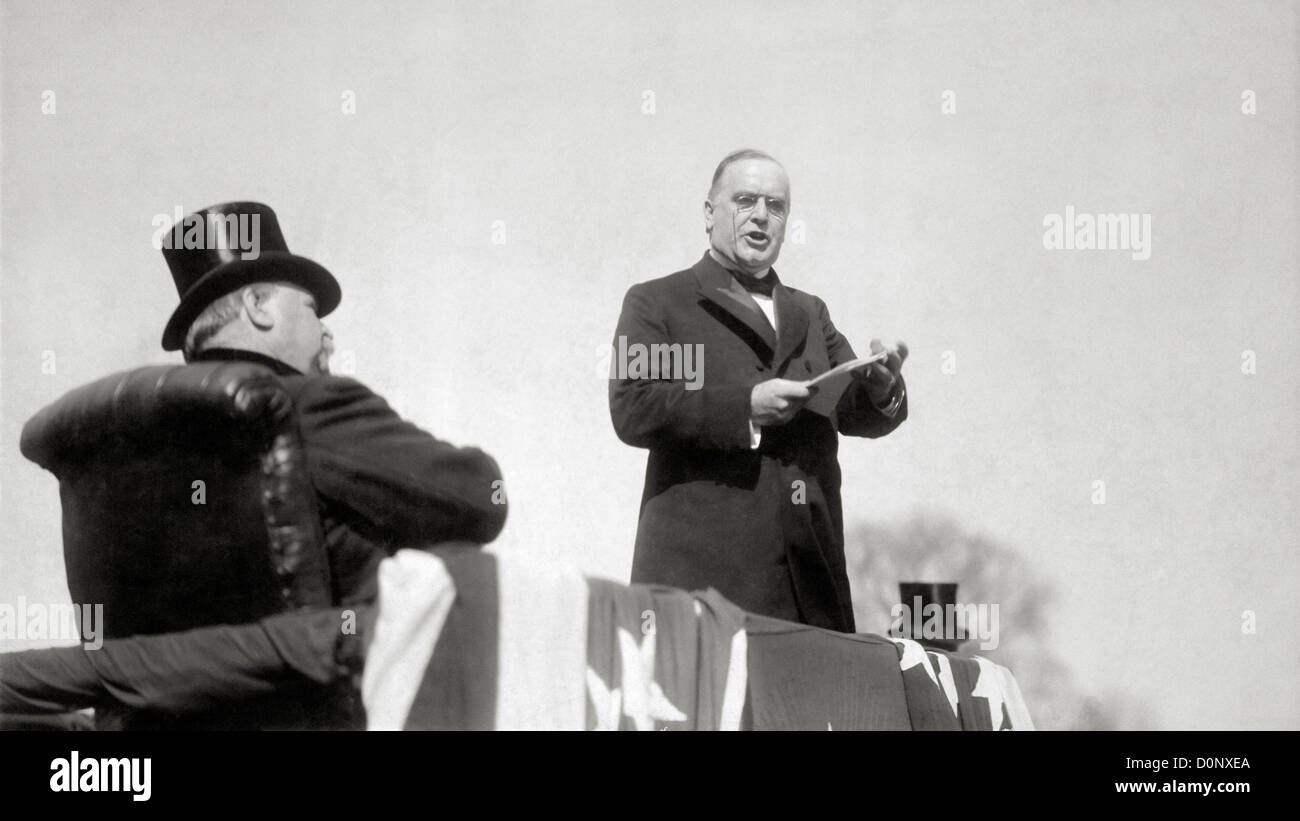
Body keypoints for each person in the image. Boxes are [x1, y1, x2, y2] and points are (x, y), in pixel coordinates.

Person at [609, 150, 908, 633]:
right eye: (744, 201)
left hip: (810, 591)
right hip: (700, 592)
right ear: (709, 214)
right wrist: (744, 407)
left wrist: (881, 386)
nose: (761, 216)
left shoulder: (811, 314)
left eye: (776, 205)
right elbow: (633, 405)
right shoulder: (658, 302)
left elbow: (857, 413)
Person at [161, 201, 507, 604]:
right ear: (258, 306)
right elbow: (479, 496)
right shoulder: (307, 406)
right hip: (331, 663)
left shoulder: (137, 435)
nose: (328, 336)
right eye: (311, 310)